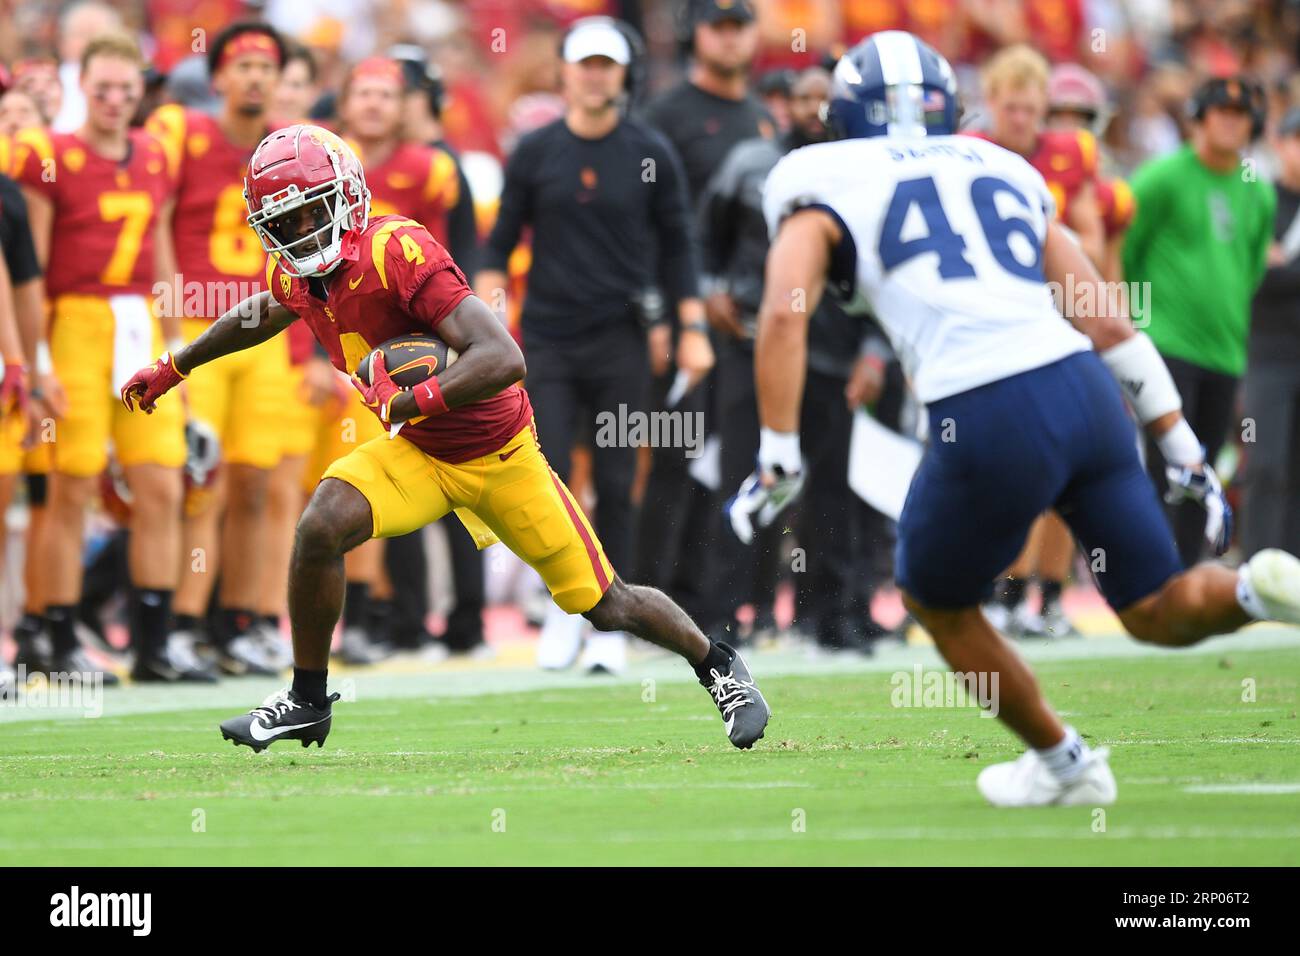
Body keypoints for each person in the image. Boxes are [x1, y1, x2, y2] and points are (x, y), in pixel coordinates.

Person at [735, 31, 1300, 806]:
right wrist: (1178, 441)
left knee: (936, 598)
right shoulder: (997, 165)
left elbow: (783, 315)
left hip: (985, 405)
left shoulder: (817, 174)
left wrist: (777, 451)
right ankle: (1255, 591)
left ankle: (1068, 765)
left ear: (843, 113)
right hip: (1084, 392)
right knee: (1155, 606)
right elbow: (1104, 319)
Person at [120, 124, 768, 752]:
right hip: (421, 454)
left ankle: (717, 666)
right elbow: (260, 311)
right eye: (283, 223)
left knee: (606, 603)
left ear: (345, 196)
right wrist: (176, 366)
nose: (299, 232)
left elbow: (503, 355)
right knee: (321, 526)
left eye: (309, 212)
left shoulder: (396, 250)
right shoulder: (296, 274)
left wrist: (411, 398)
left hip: (500, 453)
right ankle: (307, 701)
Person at [475, 18, 712, 674]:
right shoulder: (536, 151)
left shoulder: (649, 151)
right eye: (586, 64)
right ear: (565, 72)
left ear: (623, 74)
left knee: (614, 475)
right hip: (547, 340)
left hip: (622, 340)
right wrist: (489, 322)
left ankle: (613, 621)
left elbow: (677, 246)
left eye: (607, 65)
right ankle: (563, 607)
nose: (596, 75)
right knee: (546, 477)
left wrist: (690, 328)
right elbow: (498, 248)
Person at [12, 32, 184, 684]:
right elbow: (33, 268)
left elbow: (162, 252)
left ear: (141, 91)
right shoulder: (51, 156)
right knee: (71, 486)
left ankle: (155, 641)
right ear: (82, 88)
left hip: (139, 321)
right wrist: (40, 361)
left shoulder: (156, 157)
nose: (115, 100)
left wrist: (176, 349)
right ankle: (55, 635)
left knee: (162, 484)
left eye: (126, 89)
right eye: (103, 88)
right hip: (76, 319)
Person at [701, 65, 882, 652]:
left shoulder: (863, 173)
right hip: (755, 344)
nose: (812, 108)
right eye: (802, 97)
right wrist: (710, 288)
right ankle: (727, 615)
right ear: (784, 104)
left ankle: (828, 616)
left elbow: (885, 272)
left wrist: (876, 352)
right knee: (744, 479)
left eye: (823, 99)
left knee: (832, 489)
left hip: (833, 349)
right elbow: (705, 235)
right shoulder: (752, 162)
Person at [146, 21, 290, 679]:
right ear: (220, 77)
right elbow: (156, 215)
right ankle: (178, 625)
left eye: (267, 65)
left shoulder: (289, 145)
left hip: (264, 328)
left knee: (256, 484)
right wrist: (172, 318)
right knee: (199, 485)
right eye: (244, 65)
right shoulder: (184, 131)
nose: (256, 76)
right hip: (202, 330)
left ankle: (238, 624)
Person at [638, 0, 770, 623]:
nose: (730, 37)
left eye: (740, 25)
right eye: (719, 25)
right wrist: (664, 311)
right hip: (687, 315)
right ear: (696, 35)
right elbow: (647, 221)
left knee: (739, 458)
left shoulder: (762, 118)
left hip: (753, 321)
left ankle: (719, 600)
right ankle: (647, 598)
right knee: (673, 452)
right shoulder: (665, 115)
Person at [1124, 76, 1276, 567]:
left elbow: (1249, 266)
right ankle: (1150, 576)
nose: (1231, 123)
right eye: (1220, 113)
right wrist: (1134, 325)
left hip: (1224, 349)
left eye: (1240, 115)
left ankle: (1184, 575)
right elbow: (1124, 248)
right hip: (1165, 345)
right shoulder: (1162, 177)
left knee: (1203, 468)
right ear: (1199, 118)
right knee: (1165, 466)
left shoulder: (1257, 189)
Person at [1241, 107, 1300, 558]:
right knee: (1265, 465)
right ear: (1279, 145)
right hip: (1266, 354)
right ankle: (1258, 570)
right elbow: (1252, 274)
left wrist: (1284, 266)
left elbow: (1274, 271)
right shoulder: (1260, 198)